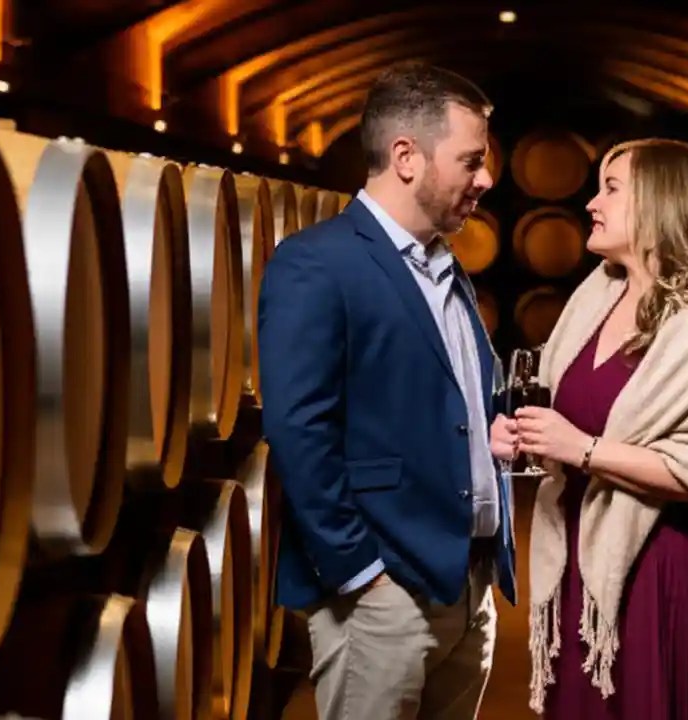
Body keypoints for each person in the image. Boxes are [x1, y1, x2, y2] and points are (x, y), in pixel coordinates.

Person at [258, 61, 515, 720]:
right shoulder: (317, 261)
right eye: (470, 160)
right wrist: (360, 575)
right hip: (383, 593)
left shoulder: (444, 263)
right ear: (406, 156)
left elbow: (444, 403)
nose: (486, 179)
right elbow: (297, 428)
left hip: (467, 583)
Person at [490, 138, 688, 718]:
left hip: (655, 565)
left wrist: (581, 449)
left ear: (662, 203)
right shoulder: (598, 295)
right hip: (581, 565)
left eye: (611, 188)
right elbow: (567, 412)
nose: (590, 202)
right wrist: (526, 436)